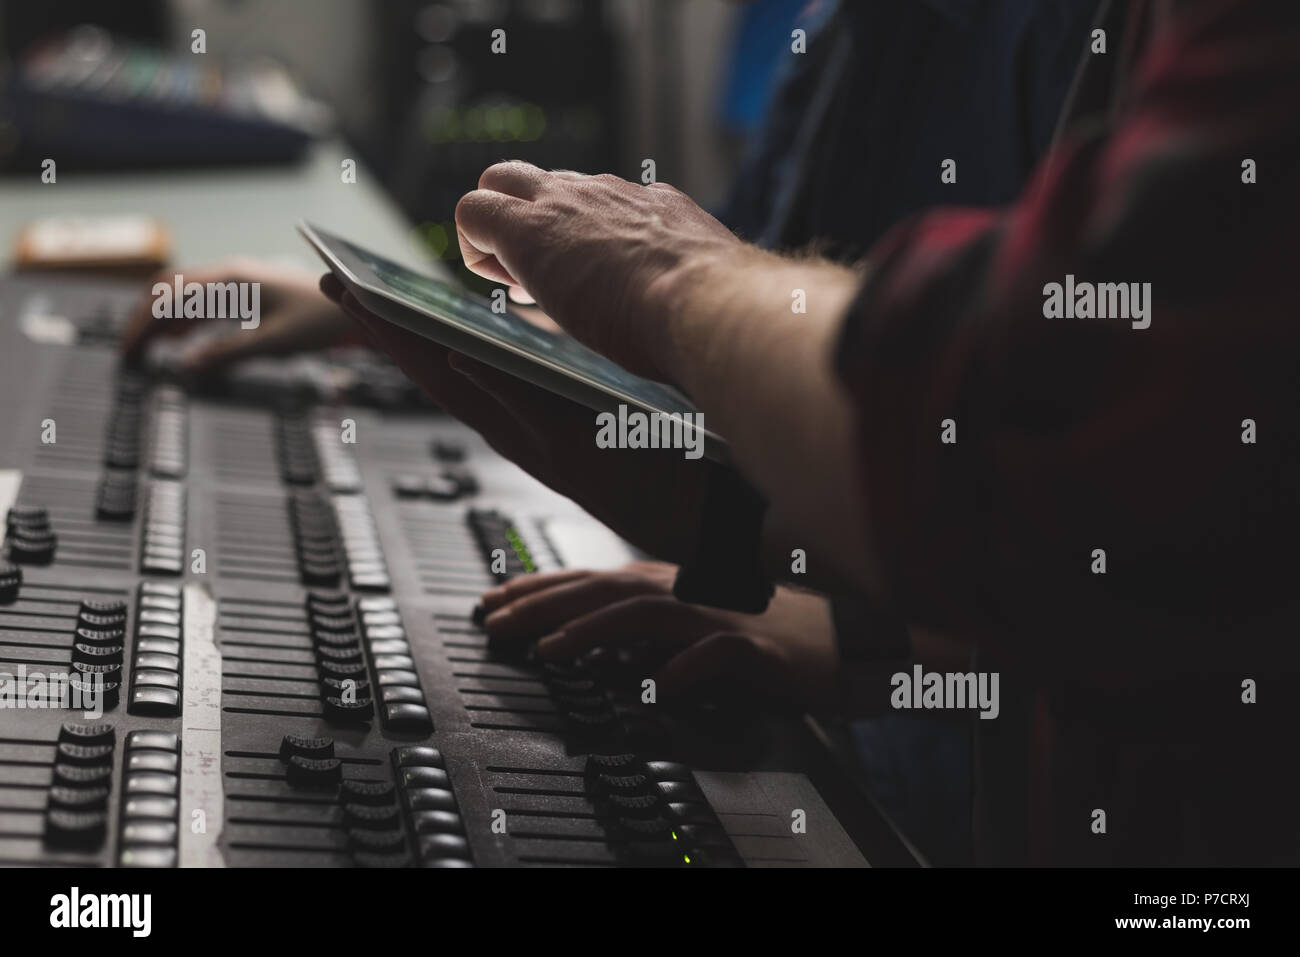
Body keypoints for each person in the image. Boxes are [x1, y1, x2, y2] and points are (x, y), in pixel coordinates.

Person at [322, 0, 1300, 865]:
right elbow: (727, 363)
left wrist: (673, 279)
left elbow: (1073, 432)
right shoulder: (839, 31)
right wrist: (432, 318)